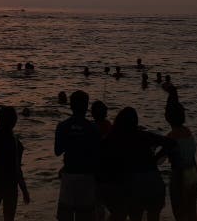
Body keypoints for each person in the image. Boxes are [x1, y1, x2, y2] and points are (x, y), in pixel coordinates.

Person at [100, 107, 171, 221]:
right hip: (155, 184)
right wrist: (155, 159)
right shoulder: (144, 135)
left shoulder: (115, 138)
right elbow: (171, 143)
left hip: (137, 187)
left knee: (135, 215)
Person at [55, 90, 100, 221]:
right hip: (87, 176)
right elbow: (97, 154)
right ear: (86, 107)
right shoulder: (93, 128)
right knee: (85, 216)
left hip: (68, 175)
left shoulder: (63, 126)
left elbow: (58, 151)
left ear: (71, 106)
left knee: (65, 216)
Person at [0, 106, 30, 221]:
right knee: (8, 216)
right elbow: (17, 169)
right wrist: (24, 190)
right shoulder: (16, 144)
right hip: (10, 183)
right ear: (14, 123)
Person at [161, 101, 197, 221]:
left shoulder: (171, 137)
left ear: (167, 117)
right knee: (192, 210)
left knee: (179, 211)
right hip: (192, 171)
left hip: (179, 174)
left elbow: (159, 160)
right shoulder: (188, 132)